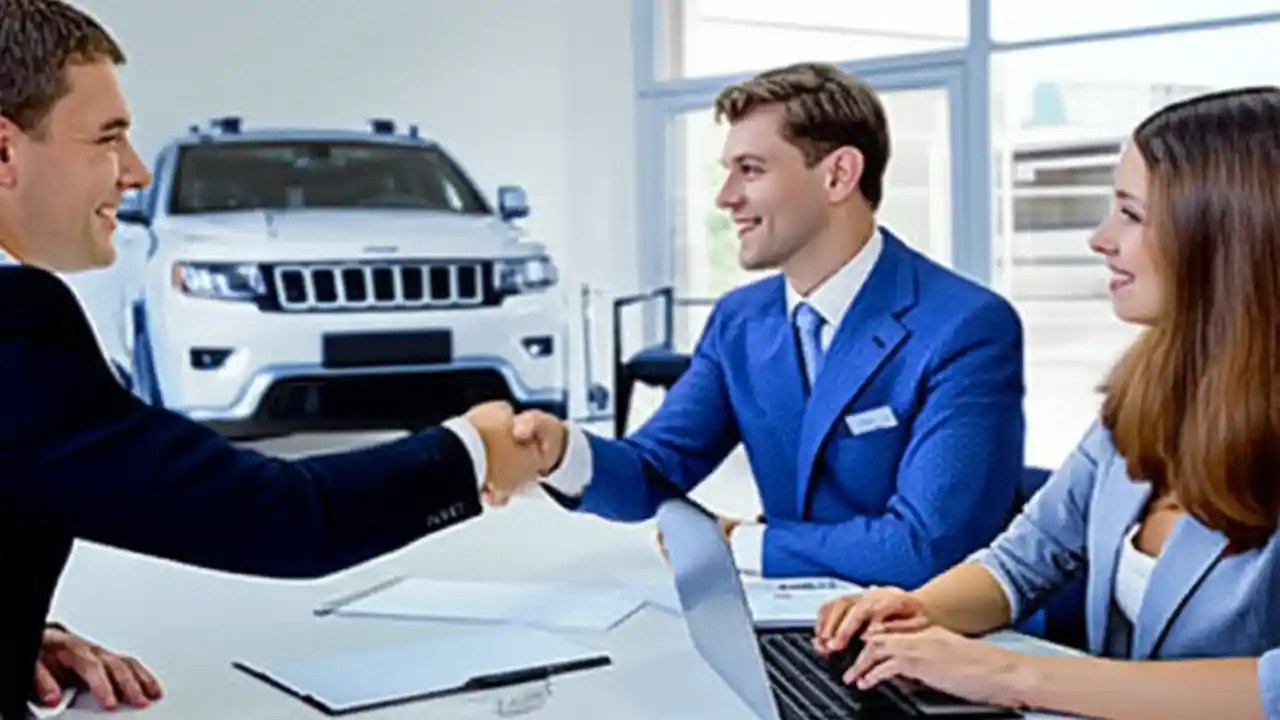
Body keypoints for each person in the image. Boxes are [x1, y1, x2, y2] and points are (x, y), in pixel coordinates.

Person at [0, 2, 546, 716]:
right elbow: (287, 518)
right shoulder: (17, 322)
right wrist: (478, 451)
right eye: (108, 138)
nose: (132, 172)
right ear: (6, 152)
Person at [813, 86, 1280, 720]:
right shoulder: (1151, 394)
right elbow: (1025, 560)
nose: (1099, 238)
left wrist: (1010, 674)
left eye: (1131, 214)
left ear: (1229, 238)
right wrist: (917, 610)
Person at [509, 62, 1025, 587]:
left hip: (933, 637)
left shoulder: (967, 327)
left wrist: (741, 542)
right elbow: (652, 471)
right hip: (798, 621)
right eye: (728, 171)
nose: (726, 196)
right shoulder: (740, 321)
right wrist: (560, 453)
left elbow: (925, 547)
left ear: (838, 175)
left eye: (751, 170)